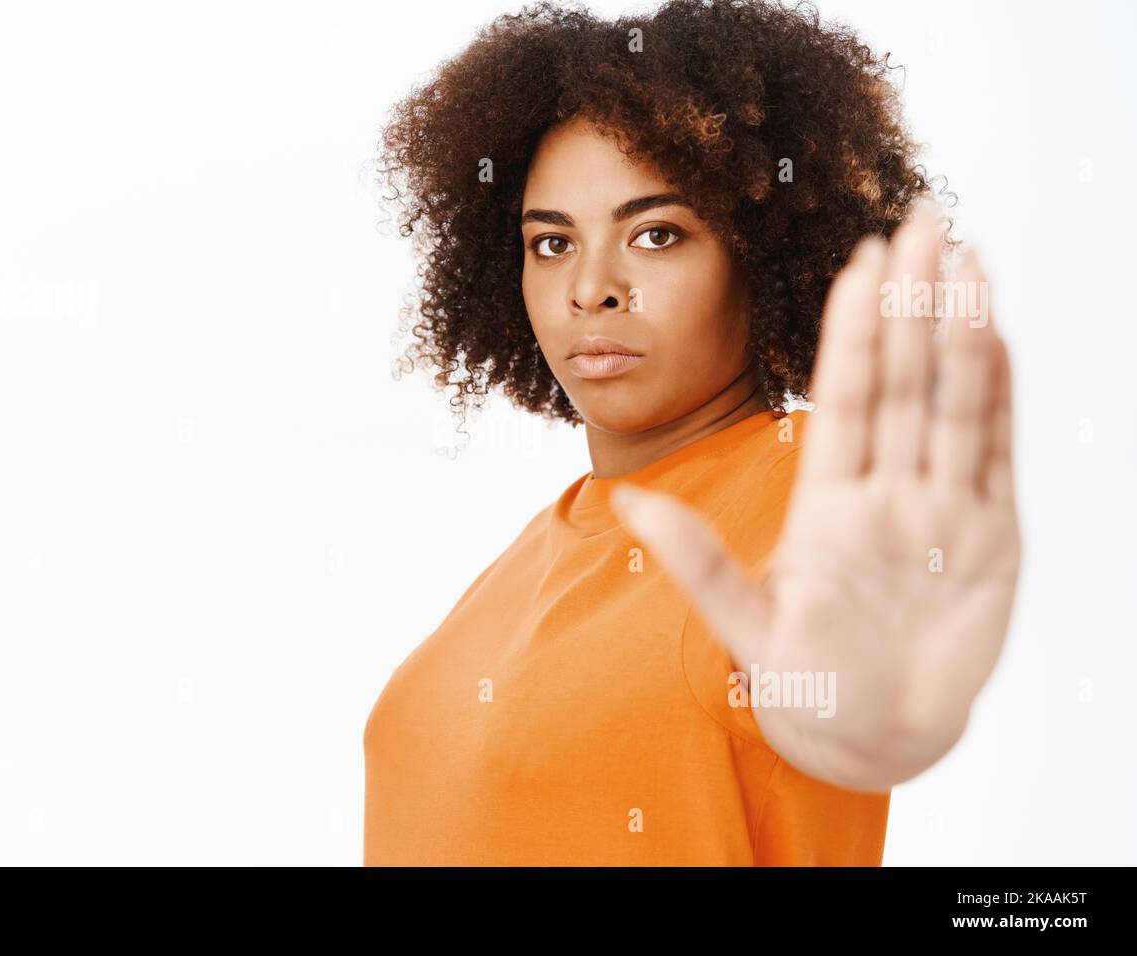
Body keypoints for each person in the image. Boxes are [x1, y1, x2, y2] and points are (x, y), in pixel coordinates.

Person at [363, 0, 1020, 865]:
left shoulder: (812, 499)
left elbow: (830, 688)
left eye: (656, 234)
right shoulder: (546, 544)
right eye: (551, 243)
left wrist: (862, 718)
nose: (591, 287)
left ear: (763, 255)